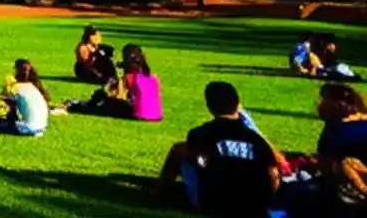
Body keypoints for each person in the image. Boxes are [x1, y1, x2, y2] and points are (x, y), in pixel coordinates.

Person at [155, 82, 279, 218]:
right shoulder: (256, 140)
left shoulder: (200, 134)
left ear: (209, 107)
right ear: (238, 105)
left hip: (213, 203)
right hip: (252, 206)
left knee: (180, 150)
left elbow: (200, 161)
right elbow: (273, 173)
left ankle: (160, 194)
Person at [68, 43, 162, 122]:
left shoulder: (130, 77)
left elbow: (119, 95)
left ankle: (81, 107)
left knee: (105, 99)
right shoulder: (153, 77)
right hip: (156, 115)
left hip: (139, 114)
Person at [316, 83, 367, 206]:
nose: (319, 103)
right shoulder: (360, 121)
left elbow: (326, 168)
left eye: (323, 99)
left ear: (338, 104)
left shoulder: (335, 130)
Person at [0, 59, 51, 136]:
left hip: (29, 128)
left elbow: (9, 108)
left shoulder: (16, 87)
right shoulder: (34, 86)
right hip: (42, 127)